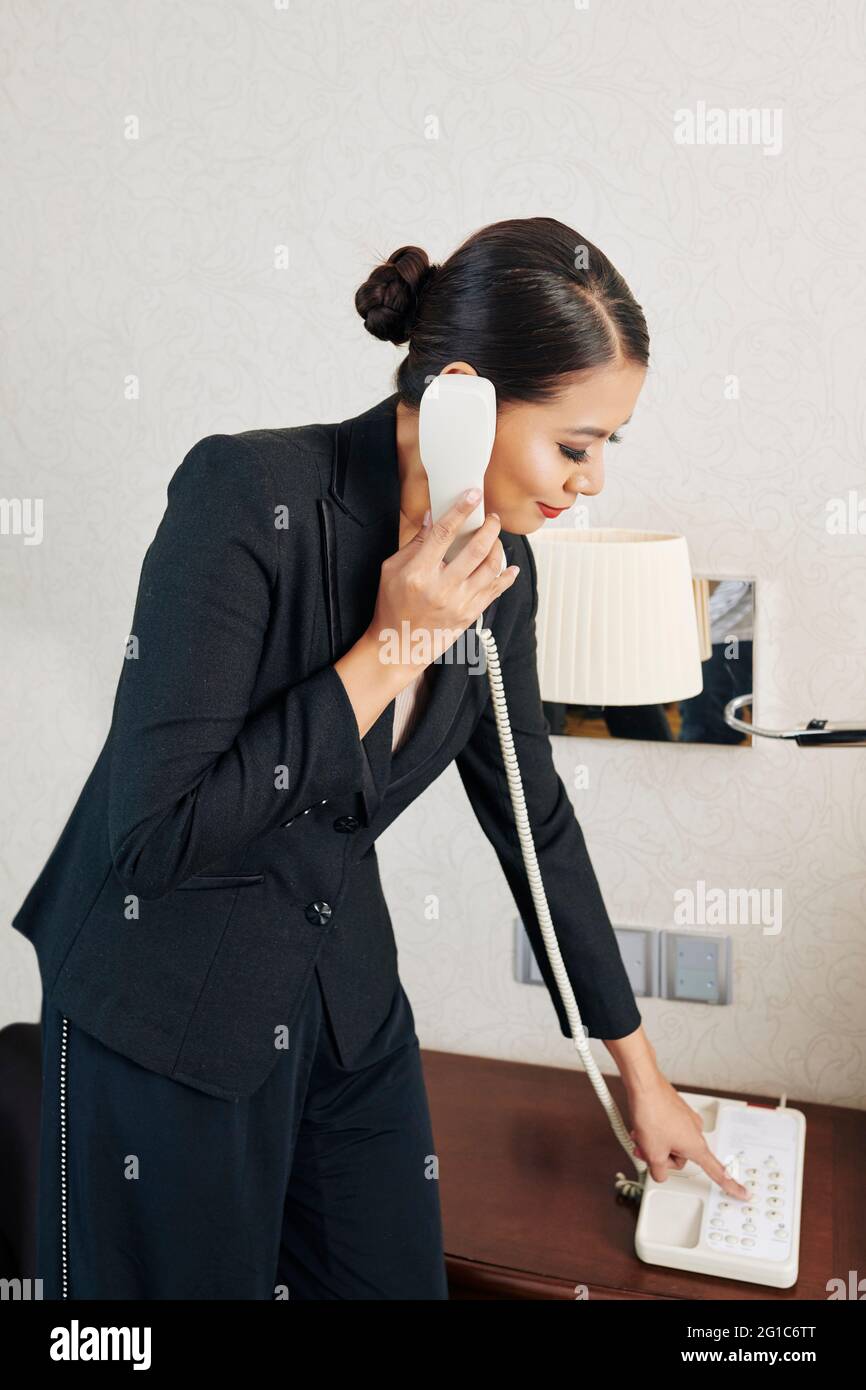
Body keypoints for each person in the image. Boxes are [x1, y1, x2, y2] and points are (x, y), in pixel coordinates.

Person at [12, 215, 747, 1301]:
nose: (588, 483)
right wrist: (390, 647)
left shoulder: (504, 573)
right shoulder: (245, 498)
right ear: (460, 397)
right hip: (165, 1005)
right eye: (574, 445)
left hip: (345, 1006)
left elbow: (533, 820)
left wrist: (640, 1075)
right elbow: (155, 834)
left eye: (607, 448)